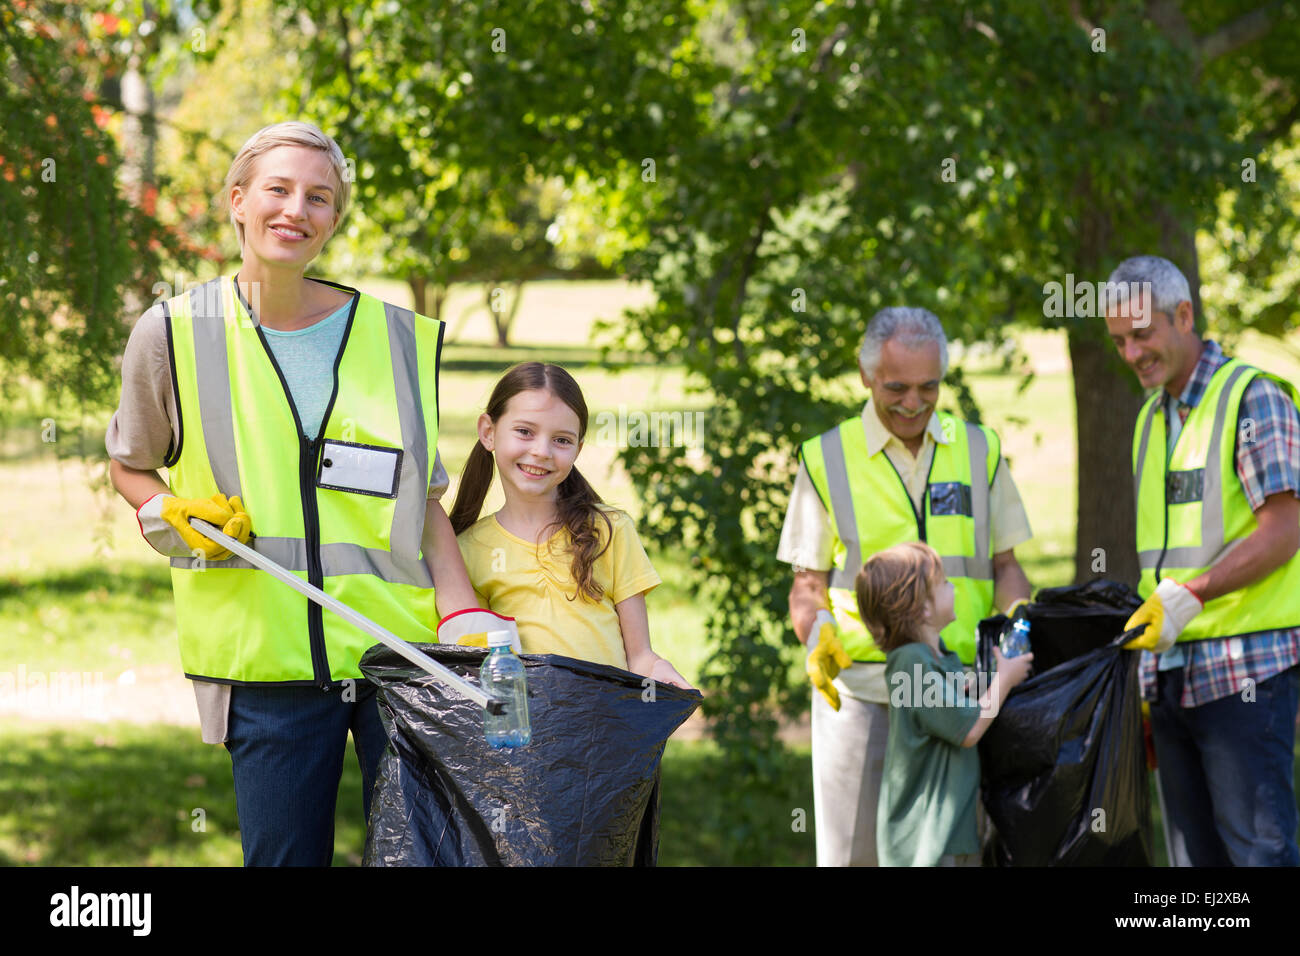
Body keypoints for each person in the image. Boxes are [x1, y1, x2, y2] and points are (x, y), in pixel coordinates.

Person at [106, 121, 478, 866]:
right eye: (278, 190)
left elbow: (422, 496)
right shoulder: (174, 331)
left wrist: (463, 610)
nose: (295, 211)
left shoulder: (394, 337)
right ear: (238, 201)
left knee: (427, 859)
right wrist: (168, 513)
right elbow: (130, 462)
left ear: (333, 220)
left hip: (397, 657)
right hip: (263, 664)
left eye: (319, 198)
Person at [777, 306, 1034, 866]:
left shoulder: (979, 450)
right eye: (896, 387)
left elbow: (1007, 565)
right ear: (867, 376)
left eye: (929, 387)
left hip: (961, 690)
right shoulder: (826, 459)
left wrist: (1020, 629)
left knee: (951, 854)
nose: (914, 402)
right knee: (854, 857)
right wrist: (816, 631)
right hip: (862, 695)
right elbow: (808, 581)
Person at [1103, 254, 1300, 866]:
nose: (1132, 354)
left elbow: (1288, 527)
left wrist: (1196, 594)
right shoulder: (1149, 421)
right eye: (1118, 341)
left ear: (1183, 315)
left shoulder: (1252, 400)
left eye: (1142, 335)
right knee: (1195, 870)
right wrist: (1141, 686)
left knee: (1259, 857)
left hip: (1247, 674)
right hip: (1171, 678)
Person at [448, 362, 691, 688]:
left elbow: (640, 656)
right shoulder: (467, 550)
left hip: (608, 728)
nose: (541, 451)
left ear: (578, 448)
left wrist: (658, 668)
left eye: (561, 440)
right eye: (524, 431)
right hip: (532, 732)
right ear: (488, 432)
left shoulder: (609, 531)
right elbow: (485, 672)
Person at [856, 541, 1032, 866]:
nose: (953, 588)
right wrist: (1004, 680)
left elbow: (953, 708)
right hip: (925, 841)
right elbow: (968, 730)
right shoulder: (912, 662)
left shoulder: (936, 656)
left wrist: (983, 684)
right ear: (922, 609)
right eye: (944, 584)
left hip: (949, 831)